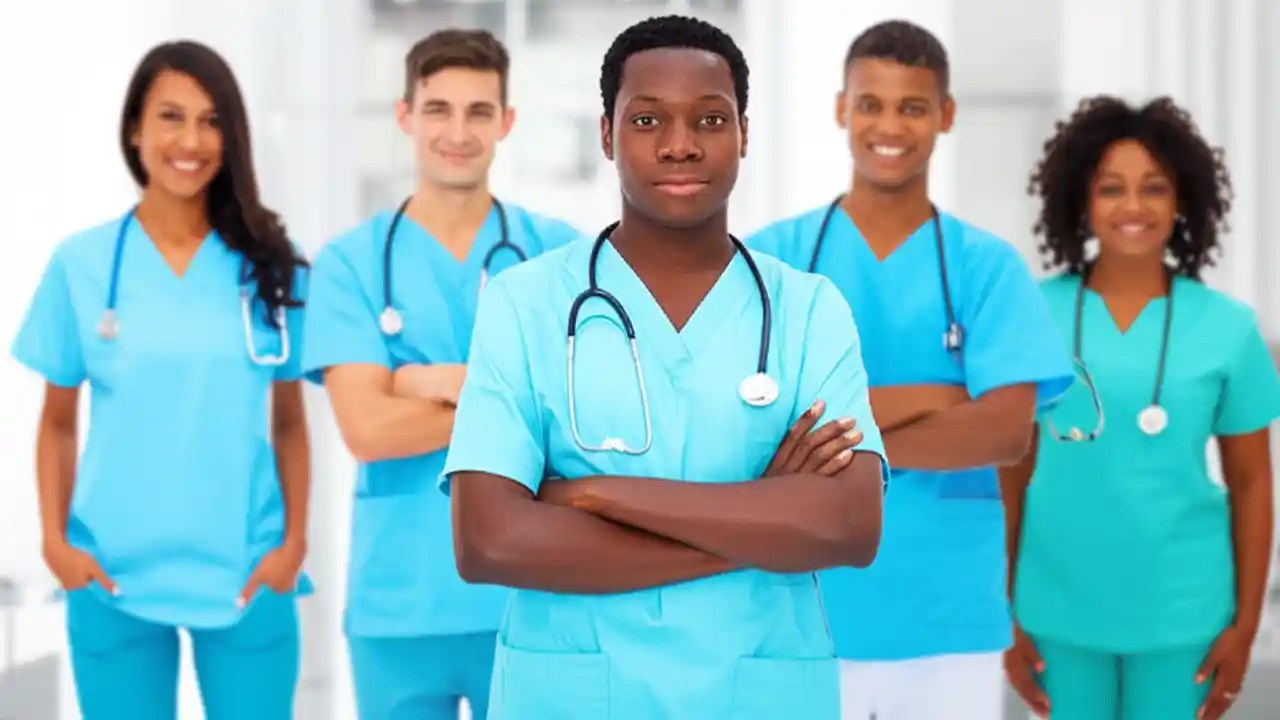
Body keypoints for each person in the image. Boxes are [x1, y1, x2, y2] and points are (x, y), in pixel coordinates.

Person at [440, 14, 889, 719]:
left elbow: (849, 527)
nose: (680, 146)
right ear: (607, 135)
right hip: (574, 697)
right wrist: (759, 518)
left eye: (709, 120)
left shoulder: (808, 309)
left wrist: (595, 493)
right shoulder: (526, 305)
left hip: (757, 694)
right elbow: (490, 539)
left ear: (744, 133)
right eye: (648, 120)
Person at [746, 19, 1076, 720]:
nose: (889, 125)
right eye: (871, 104)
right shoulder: (773, 260)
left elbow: (1005, 432)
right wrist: (942, 398)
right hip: (801, 613)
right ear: (841, 109)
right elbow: (748, 420)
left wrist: (831, 441)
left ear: (945, 116)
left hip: (948, 618)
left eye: (913, 106)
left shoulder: (985, 267)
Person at [10, 41, 311, 720]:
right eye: (171, 117)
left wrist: (291, 546)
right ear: (134, 130)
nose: (192, 141)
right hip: (112, 577)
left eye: (212, 121)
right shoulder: (81, 266)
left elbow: (290, 422)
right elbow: (57, 420)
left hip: (246, 574)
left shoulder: (273, 268)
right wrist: (57, 546)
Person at [301, 29, 582, 720]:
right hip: (399, 604)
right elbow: (366, 430)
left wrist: (410, 380)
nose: (457, 132)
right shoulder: (350, 263)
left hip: (529, 597)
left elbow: (573, 417)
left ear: (506, 123)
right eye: (438, 109)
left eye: (479, 111)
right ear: (405, 116)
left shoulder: (561, 256)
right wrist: (504, 399)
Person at [1001, 95, 1279, 720]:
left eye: (1153, 188)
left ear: (1182, 202)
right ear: (1081, 200)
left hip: (1184, 613)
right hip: (1057, 610)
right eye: (1111, 189)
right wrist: (1003, 608)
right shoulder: (1033, 313)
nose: (1133, 207)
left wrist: (1245, 625)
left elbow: (1252, 481)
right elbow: (1009, 472)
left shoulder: (1228, 329)